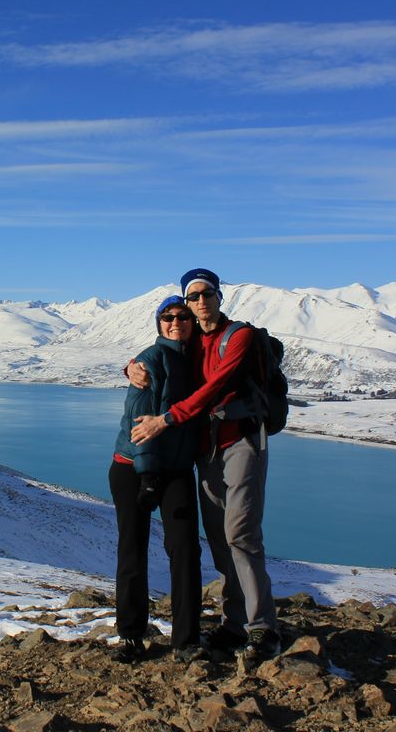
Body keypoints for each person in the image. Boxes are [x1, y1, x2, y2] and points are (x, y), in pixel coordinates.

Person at [129, 268, 281, 661]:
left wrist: (167, 419)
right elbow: (160, 353)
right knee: (217, 537)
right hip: (205, 449)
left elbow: (216, 386)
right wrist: (130, 365)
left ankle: (263, 628)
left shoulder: (239, 336)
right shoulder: (193, 338)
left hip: (241, 441)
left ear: (219, 297)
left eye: (206, 294)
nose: (200, 302)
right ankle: (234, 625)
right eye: (192, 297)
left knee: (240, 533)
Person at [109, 295, 202, 663]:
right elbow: (140, 421)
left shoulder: (196, 356)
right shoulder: (151, 359)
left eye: (183, 316)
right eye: (168, 317)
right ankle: (131, 636)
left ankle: (187, 639)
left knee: (185, 548)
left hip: (176, 468)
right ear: (159, 323)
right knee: (133, 547)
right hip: (133, 468)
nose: (175, 322)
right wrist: (147, 474)